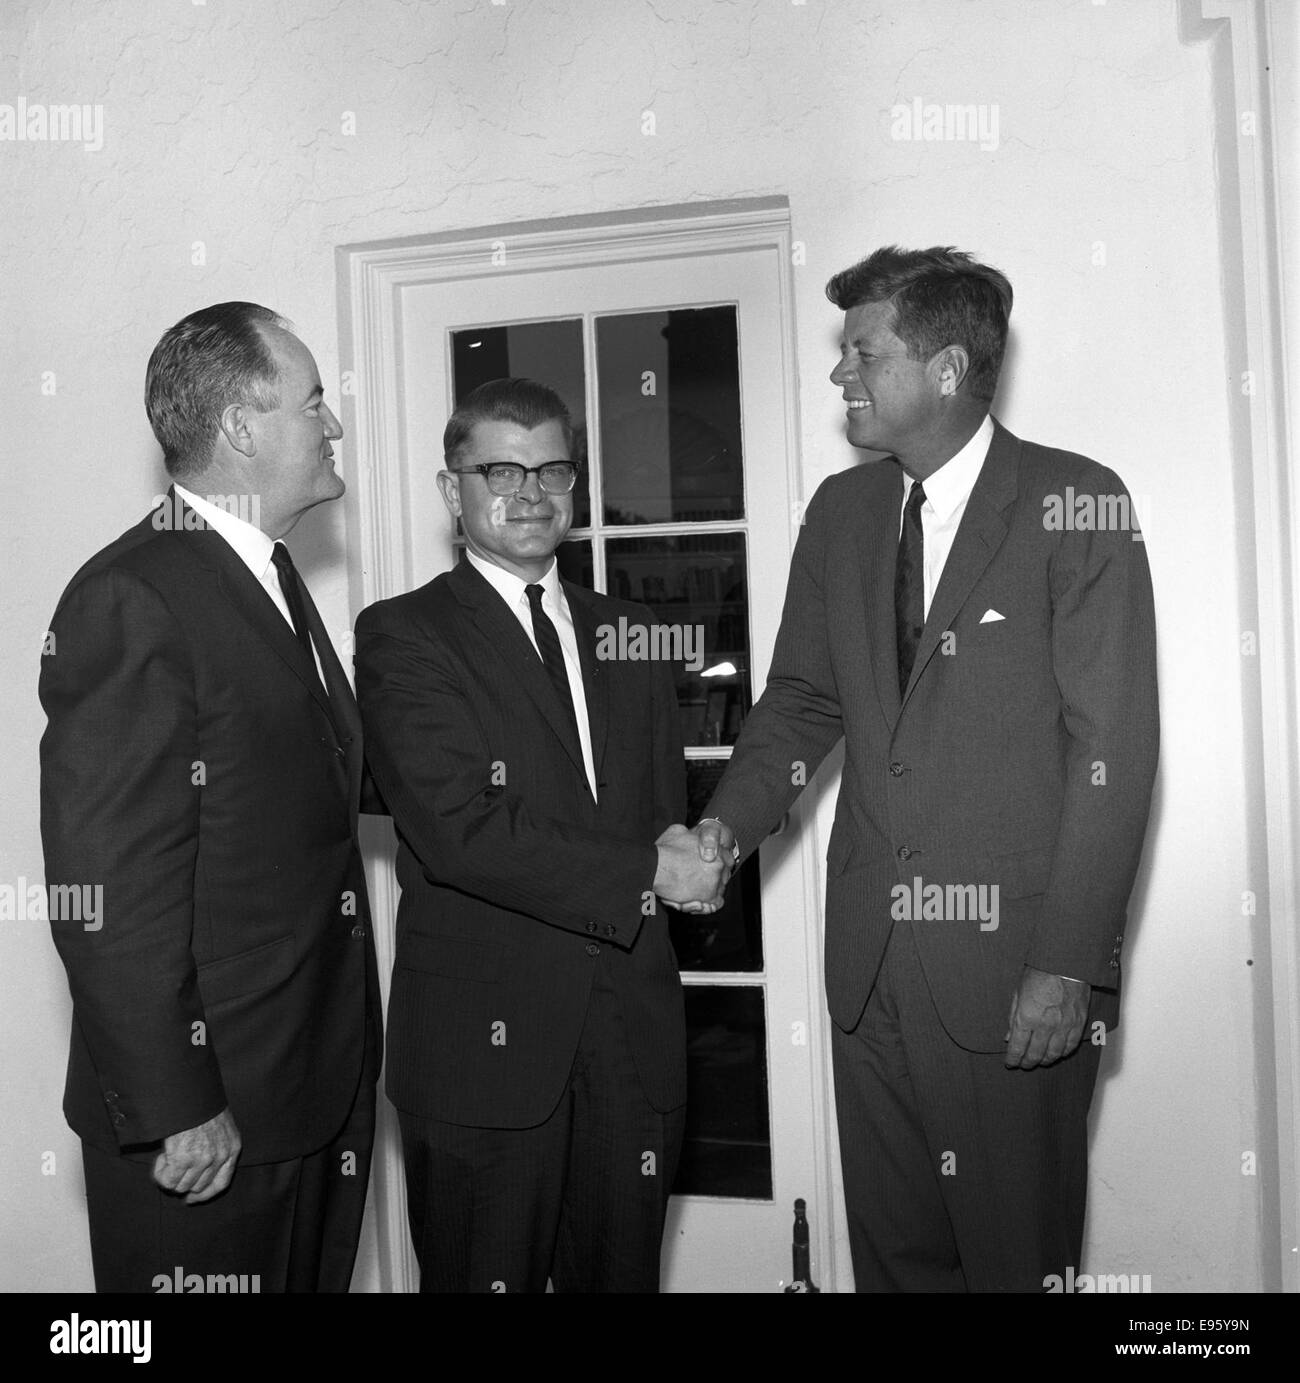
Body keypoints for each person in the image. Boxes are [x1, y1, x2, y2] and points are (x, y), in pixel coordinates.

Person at [685, 246, 1159, 1291]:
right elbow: (801, 703)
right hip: (868, 970)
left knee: (1013, 1265)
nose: (840, 375)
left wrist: (1066, 964)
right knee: (897, 1267)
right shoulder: (843, 514)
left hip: (1012, 976)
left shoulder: (1076, 504)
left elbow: (1113, 756)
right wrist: (725, 828)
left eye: (864, 351)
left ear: (946, 368)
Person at [354, 377, 724, 1293]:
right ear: (454, 491)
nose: (529, 492)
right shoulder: (404, 636)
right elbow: (462, 832)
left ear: (577, 485)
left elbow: (658, 817)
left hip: (632, 1049)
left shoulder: (631, 633)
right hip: (485, 1057)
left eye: (552, 469)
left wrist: (695, 857)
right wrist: (657, 869)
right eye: (500, 469)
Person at [40, 302, 381, 1292]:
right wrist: (176, 1103)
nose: (333, 425)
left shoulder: (267, 577)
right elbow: (104, 890)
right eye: (314, 401)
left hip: (308, 1090)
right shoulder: (135, 597)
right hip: (206, 1125)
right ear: (240, 427)